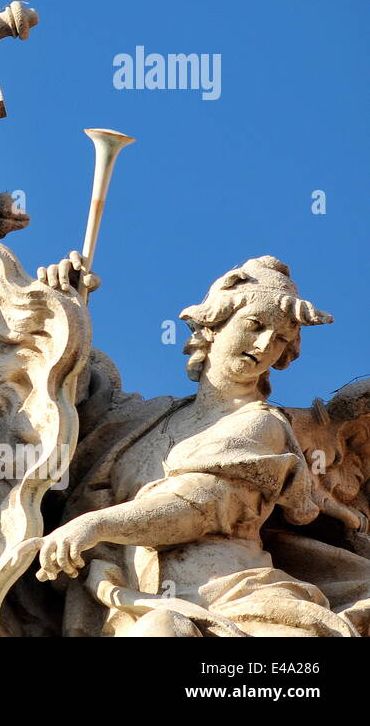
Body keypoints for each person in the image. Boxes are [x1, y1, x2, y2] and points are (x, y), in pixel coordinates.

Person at [37, 256, 360, 636]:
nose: (263, 345)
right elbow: (63, 400)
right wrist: (64, 311)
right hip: (133, 603)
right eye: (254, 326)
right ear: (213, 326)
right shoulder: (142, 420)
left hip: (234, 602)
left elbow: (196, 508)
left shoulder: (260, 424)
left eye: (280, 339)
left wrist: (95, 525)